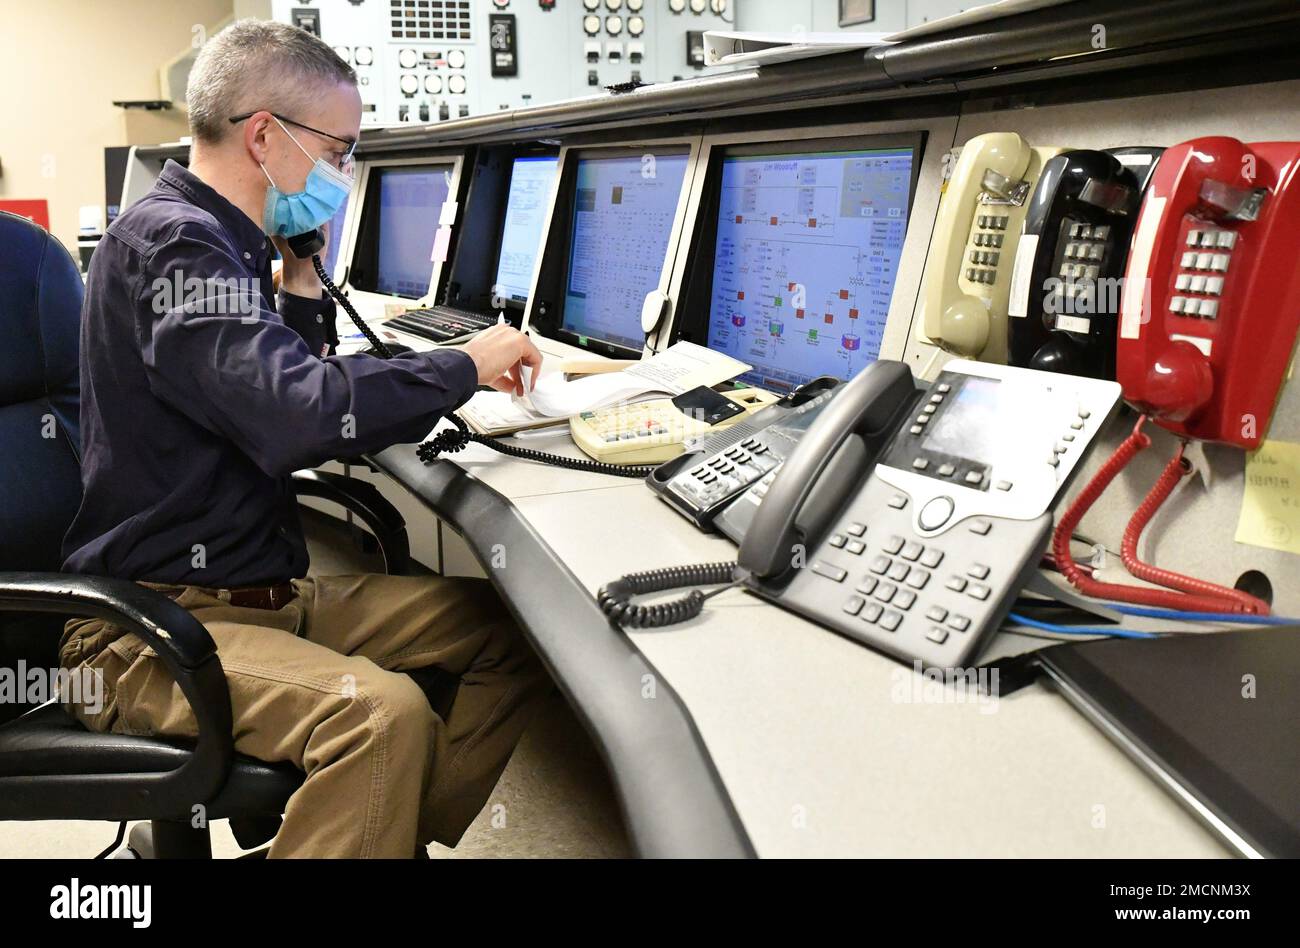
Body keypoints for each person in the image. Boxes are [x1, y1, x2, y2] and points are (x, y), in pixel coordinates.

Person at [58, 19, 549, 858]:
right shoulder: (177, 246)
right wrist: (463, 364)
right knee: (380, 716)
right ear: (264, 136)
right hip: (148, 633)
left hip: (255, 595)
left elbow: (272, 372)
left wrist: (301, 266)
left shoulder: (218, 239)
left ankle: (374, 835)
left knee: (507, 632)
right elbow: (298, 415)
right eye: (340, 150)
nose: (343, 173)